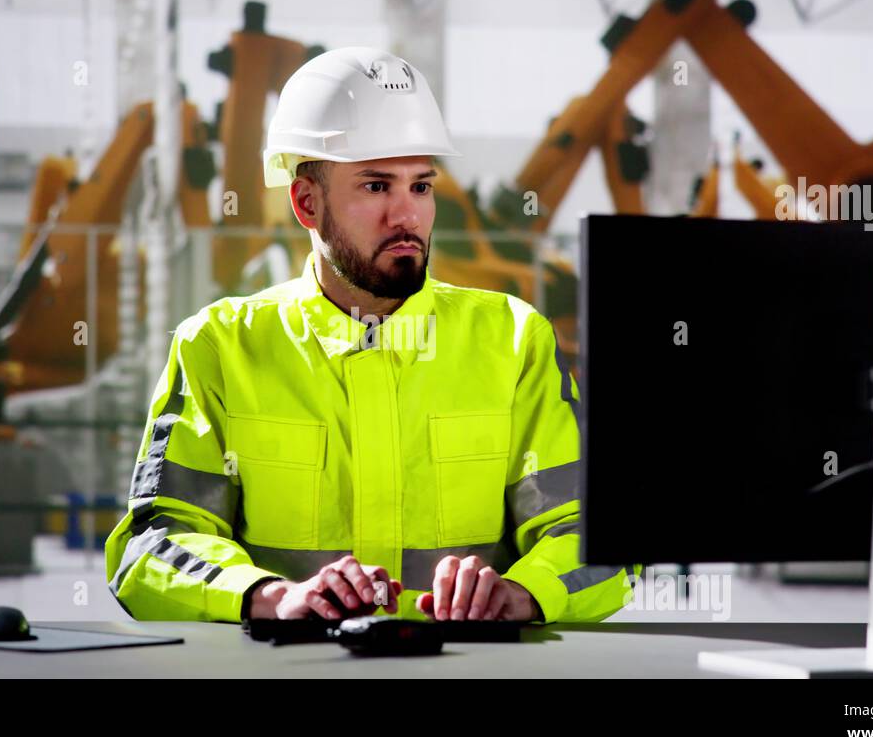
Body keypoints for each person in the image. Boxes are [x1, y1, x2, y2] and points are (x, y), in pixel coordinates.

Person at [105, 47, 639, 624]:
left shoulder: (513, 342)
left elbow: (593, 538)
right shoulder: (219, 346)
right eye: (377, 187)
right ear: (307, 203)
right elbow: (151, 543)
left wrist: (526, 594)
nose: (406, 216)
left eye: (421, 187)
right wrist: (269, 596)